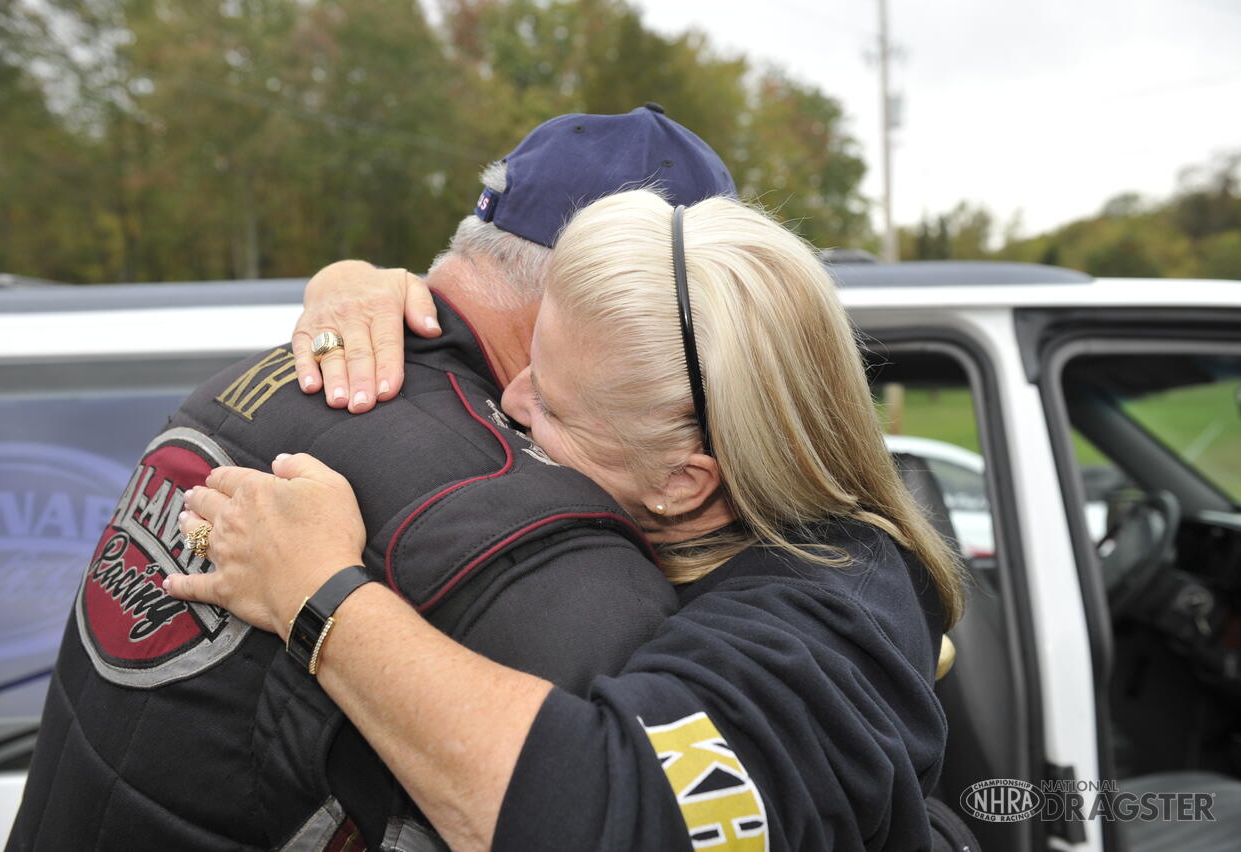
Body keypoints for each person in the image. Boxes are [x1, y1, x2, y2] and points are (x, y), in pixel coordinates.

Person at [6, 106, 737, 851]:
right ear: (612, 298)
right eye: (711, 315)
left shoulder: (268, 374)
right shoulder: (550, 546)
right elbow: (641, 815)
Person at [169, 189, 967, 851]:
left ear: (684, 482)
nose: (506, 400)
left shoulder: (824, 616)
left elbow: (617, 812)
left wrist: (318, 596)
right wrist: (366, 286)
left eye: (549, 404)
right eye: (526, 366)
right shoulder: (696, 521)